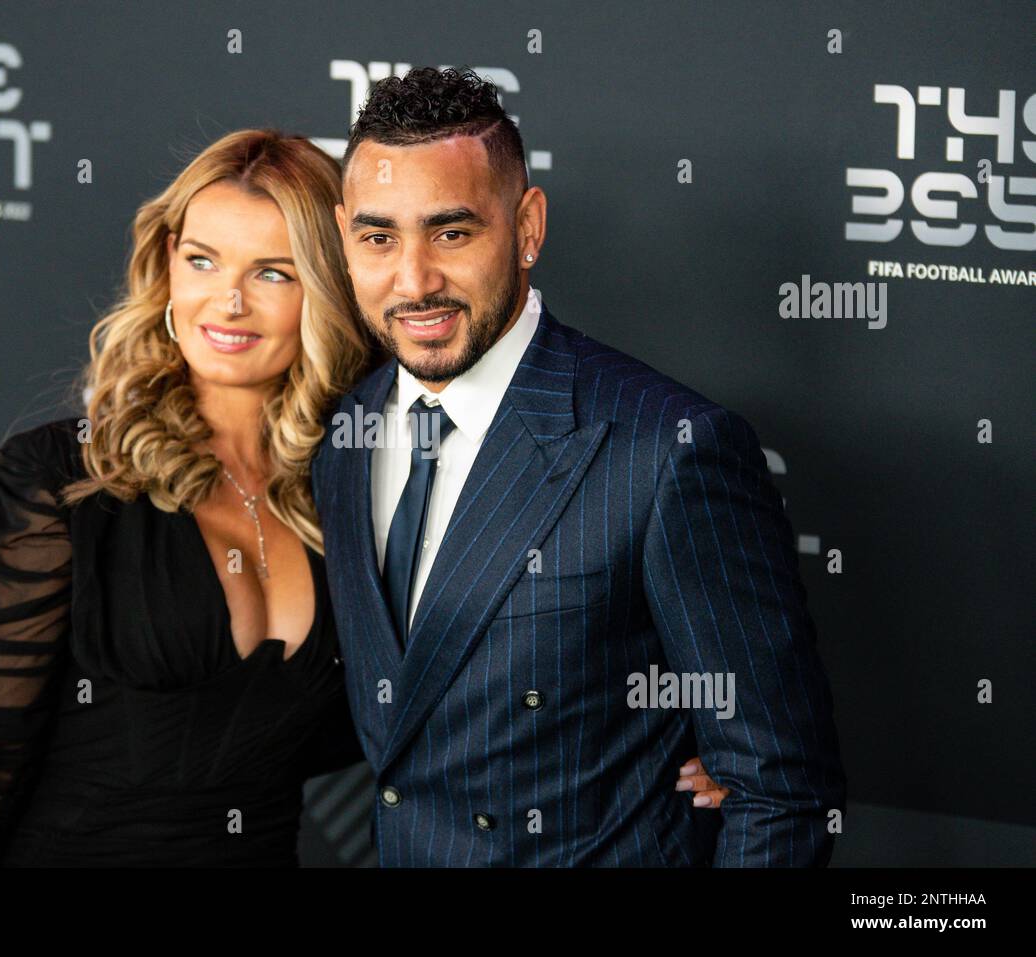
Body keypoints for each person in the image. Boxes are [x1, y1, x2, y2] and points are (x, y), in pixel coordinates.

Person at [0, 127, 727, 867]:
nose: (227, 302)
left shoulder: (365, 472)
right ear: (167, 264)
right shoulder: (66, 473)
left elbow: (460, 692)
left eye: (272, 272)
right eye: (202, 260)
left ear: (329, 287)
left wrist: (675, 737)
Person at [313, 67, 846, 866]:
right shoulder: (346, 433)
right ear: (344, 234)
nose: (414, 279)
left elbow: (780, 790)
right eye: (379, 236)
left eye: (453, 232)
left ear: (527, 226)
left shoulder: (667, 449)